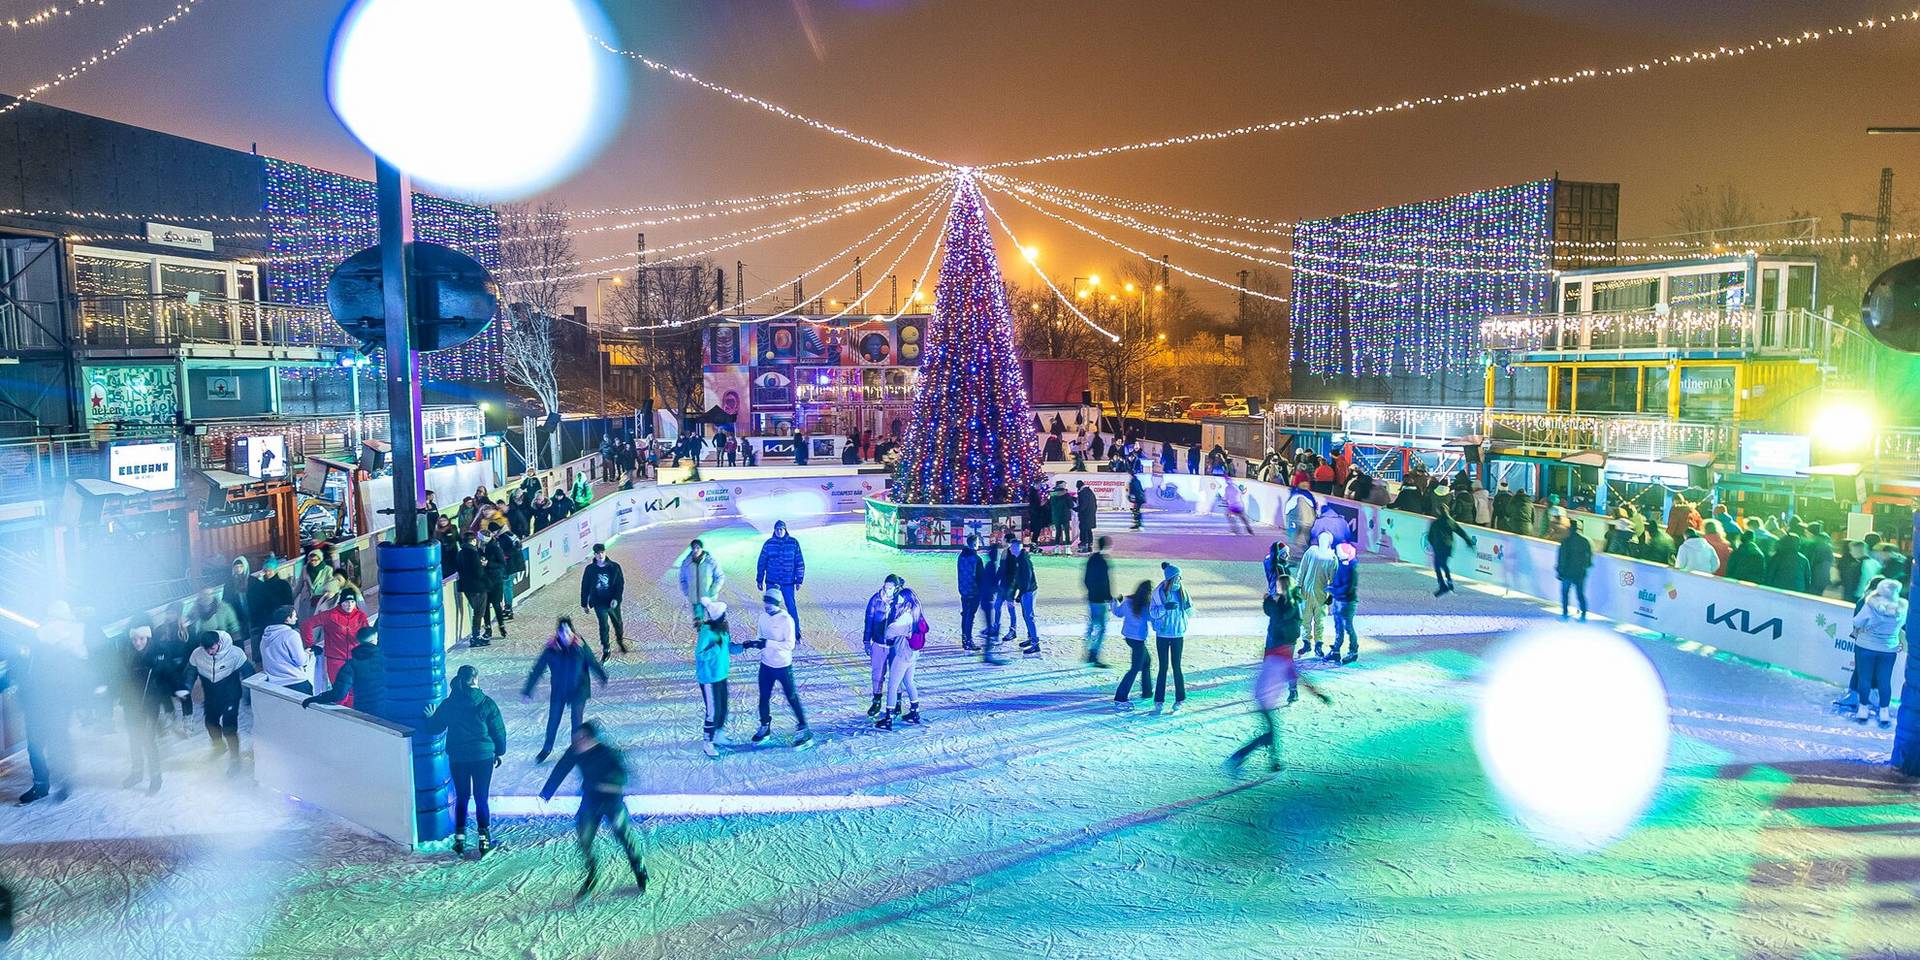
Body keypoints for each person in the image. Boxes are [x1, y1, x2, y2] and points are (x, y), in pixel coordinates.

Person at [1226, 578, 1331, 775]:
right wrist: (1320, 696)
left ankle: (1270, 762)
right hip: (1265, 698)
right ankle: (1241, 756)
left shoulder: (1275, 653)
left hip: (1264, 696)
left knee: (1271, 733)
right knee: (1270, 734)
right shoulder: (1283, 658)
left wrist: (1268, 602)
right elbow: (1303, 680)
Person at [539, 720, 649, 900]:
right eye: (576, 739)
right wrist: (547, 791)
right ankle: (592, 871)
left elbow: (623, 776)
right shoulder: (575, 750)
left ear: (591, 739)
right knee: (584, 837)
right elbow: (562, 767)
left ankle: (639, 868)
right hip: (590, 800)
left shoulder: (608, 753)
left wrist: (608, 785)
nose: (577, 743)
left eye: (581, 739)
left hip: (612, 802)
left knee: (624, 836)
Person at [422, 664, 507, 855]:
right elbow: (498, 732)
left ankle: (459, 840)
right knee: (481, 798)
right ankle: (484, 841)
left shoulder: (449, 704)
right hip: (482, 757)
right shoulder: (486, 703)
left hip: (458, 758)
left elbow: (434, 728)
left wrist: (430, 717)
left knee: (462, 797)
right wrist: (499, 752)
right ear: (475, 679)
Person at [522, 618, 607, 764]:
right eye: (562, 632)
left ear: (572, 632)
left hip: (579, 690)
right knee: (553, 720)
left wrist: (601, 675)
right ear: (558, 633)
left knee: (576, 723)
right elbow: (537, 669)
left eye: (568, 632)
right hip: (559, 690)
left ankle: (576, 750)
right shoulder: (551, 649)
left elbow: (592, 661)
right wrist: (528, 690)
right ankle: (547, 748)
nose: (565, 635)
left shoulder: (580, 646)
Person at [740, 590, 811, 747]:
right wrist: (754, 643)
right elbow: (761, 637)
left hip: (782, 666)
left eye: (770, 602)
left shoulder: (786, 620)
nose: (767, 605)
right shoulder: (763, 617)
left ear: (777, 603)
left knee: (791, 697)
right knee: (763, 697)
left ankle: (804, 728)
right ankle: (765, 726)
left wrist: (768, 643)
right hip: (766, 665)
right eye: (765, 601)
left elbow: (790, 645)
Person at [118, 622, 181, 793]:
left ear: (148, 638)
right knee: (134, 739)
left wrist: (178, 688)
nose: (137, 643)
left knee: (147, 739)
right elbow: (120, 677)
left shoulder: (158, 653)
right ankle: (137, 772)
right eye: (134, 639)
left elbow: (170, 673)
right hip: (131, 704)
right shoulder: (127, 654)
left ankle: (156, 777)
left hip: (149, 704)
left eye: (141, 639)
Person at [190, 630, 252, 772]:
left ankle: (235, 758)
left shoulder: (235, 653)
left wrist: (251, 693)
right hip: (211, 696)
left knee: (229, 728)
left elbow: (248, 672)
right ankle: (219, 747)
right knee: (210, 723)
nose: (209, 652)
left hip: (231, 695)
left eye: (212, 648)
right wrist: (185, 687)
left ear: (219, 643)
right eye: (206, 649)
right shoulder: (197, 654)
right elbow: (190, 672)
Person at [1850, 578, 1905, 729]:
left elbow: (1857, 622)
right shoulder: (1903, 606)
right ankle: (1884, 712)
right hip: (1888, 648)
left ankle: (1863, 710)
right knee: (1884, 680)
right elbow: (1903, 624)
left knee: (1865, 678)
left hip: (1866, 646)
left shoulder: (1870, 603)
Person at [876, 580, 926, 731]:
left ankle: (889, 718)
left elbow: (890, 630)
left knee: (893, 685)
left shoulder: (906, 617)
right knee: (909, 681)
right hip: (913, 654)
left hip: (903, 654)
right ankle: (914, 712)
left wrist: (888, 631)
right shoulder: (917, 612)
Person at [302, 626, 385, 718]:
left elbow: (339, 693)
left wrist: (316, 699)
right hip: (388, 709)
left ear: (358, 641)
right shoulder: (388, 661)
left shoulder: (351, 665)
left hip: (364, 711)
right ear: (376, 639)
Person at [306, 589, 369, 698]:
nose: (349, 605)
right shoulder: (330, 615)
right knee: (340, 694)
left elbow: (367, 635)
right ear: (341, 602)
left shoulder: (361, 616)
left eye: (352, 602)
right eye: (346, 602)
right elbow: (307, 625)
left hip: (355, 661)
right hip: (336, 661)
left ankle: (352, 715)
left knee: (356, 693)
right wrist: (310, 644)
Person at [1150, 564, 1192, 712]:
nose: (1179, 580)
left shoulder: (1183, 592)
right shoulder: (1158, 593)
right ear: (1170, 578)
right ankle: (1159, 700)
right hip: (1162, 634)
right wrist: (1164, 608)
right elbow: (1153, 613)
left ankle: (1180, 699)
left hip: (1178, 634)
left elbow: (1190, 612)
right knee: (1163, 667)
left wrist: (1188, 608)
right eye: (1177, 577)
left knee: (1177, 666)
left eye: (1180, 577)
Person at [755, 520, 807, 641]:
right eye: (777, 529)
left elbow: (799, 562)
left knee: (791, 607)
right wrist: (759, 579)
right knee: (770, 608)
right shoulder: (768, 544)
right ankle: (770, 632)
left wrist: (799, 580)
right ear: (774, 530)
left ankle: (795, 633)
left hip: (788, 582)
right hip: (772, 582)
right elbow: (761, 562)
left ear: (785, 530)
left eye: (781, 529)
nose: (779, 531)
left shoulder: (793, 543)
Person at [862, 575, 904, 717]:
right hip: (879, 643)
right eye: (886, 587)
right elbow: (868, 620)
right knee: (877, 674)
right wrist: (867, 641)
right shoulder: (876, 599)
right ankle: (876, 701)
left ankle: (897, 701)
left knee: (896, 674)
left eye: (890, 588)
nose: (887, 590)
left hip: (895, 646)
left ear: (897, 588)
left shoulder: (901, 602)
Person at [1110, 581, 1155, 708]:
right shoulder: (1146, 605)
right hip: (1138, 641)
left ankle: (1147, 692)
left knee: (1146, 662)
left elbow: (1118, 613)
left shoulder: (1129, 601)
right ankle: (1120, 696)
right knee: (1135, 668)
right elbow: (1153, 620)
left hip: (1129, 638)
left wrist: (1115, 601)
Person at [579, 544, 628, 661]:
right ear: (594, 554)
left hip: (612, 602)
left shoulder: (614, 567)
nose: (600, 555)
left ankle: (620, 640)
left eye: (602, 552)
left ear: (605, 553)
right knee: (603, 626)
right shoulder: (590, 569)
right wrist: (584, 603)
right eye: (597, 553)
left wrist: (616, 598)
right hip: (598, 602)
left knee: (617, 623)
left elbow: (620, 585)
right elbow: (584, 586)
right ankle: (606, 648)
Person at [1296, 532, 1337, 658]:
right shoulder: (1311, 551)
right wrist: (1298, 586)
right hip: (1306, 592)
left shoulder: (1332, 558)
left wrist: (1331, 594)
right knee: (1305, 619)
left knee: (1320, 621)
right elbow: (1302, 569)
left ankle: (1318, 644)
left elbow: (1333, 578)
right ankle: (1306, 642)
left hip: (1321, 594)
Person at [455, 532, 498, 647]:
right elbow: (478, 572)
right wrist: (483, 566)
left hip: (466, 587)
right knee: (479, 612)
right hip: (477, 587)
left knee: (477, 612)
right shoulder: (473, 554)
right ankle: (475, 637)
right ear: (473, 540)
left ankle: (476, 636)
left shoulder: (460, 553)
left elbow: (459, 569)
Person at [258, 605, 312, 694]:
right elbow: (300, 661)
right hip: (294, 681)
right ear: (287, 619)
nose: (297, 618)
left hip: (274, 684)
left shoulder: (265, 635)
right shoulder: (291, 634)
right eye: (294, 616)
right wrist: (306, 654)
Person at [1001, 535, 1040, 656]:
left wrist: (1021, 594)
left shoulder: (1023, 561)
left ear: (1016, 548)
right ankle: (1031, 638)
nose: (1010, 550)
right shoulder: (1019, 559)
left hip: (1028, 591)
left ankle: (1035, 643)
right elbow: (1019, 579)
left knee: (1029, 616)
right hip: (1026, 591)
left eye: (1012, 548)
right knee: (1026, 615)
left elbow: (1027, 580)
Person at [1426, 510, 1476, 596]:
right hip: (1448, 547)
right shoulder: (1450, 521)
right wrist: (1469, 541)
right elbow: (1461, 532)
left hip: (1439, 547)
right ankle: (1449, 583)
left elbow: (1430, 536)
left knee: (1438, 566)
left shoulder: (1436, 523)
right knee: (1443, 564)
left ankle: (1443, 585)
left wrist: (1434, 545)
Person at [1325, 543, 1360, 664]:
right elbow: (1337, 580)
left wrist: (1333, 590)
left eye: (1339, 553)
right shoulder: (1341, 564)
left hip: (1347, 603)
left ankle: (1353, 651)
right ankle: (1336, 651)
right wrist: (1331, 591)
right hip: (1338, 600)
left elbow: (1349, 587)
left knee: (1348, 627)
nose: (1337, 555)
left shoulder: (1353, 567)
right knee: (1338, 626)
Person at [1083, 535, 1112, 668]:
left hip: (1092, 597)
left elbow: (1086, 580)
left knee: (1093, 625)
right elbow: (1105, 582)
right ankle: (1093, 654)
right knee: (1101, 627)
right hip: (1100, 600)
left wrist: (1091, 591)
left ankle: (1089, 650)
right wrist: (1108, 597)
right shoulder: (1103, 561)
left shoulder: (1092, 559)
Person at [976, 543, 1008, 665]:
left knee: (991, 627)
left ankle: (988, 652)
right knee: (990, 627)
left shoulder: (990, 565)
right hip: (986, 600)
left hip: (986, 599)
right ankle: (987, 654)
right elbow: (992, 584)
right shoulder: (990, 566)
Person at [678, 538, 726, 620]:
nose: (695, 550)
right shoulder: (686, 563)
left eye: (698, 548)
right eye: (693, 548)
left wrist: (712, 591)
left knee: (713, 623)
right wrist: (687, 592)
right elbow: (682, 579)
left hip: (709, 600)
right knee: (699, 624)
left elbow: (720, 576)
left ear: (702, 548)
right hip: (695, 600)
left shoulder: (710, 562)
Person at [1556, 520, 1593, 621]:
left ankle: (1565, 613)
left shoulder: (1565, 541)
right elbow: (1589, 556)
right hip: (1580, 573)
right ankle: (1583, 614)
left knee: (1565, 594)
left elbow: (1562, 558)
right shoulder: (1585, 541)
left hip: (1567, 573)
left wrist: (1560, 571)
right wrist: (1586, 566)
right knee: (1580, 594)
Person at [957, 534, 983, 652]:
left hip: (963, 590)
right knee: (969, 615)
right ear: (975, 544)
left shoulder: (961, 556)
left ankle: (965, 638)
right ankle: (968, 641)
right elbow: (980, 578)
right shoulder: (977, 559)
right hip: (974, 591)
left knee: (965, 614)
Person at [1839, 540, 1879, 604]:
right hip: (1871, 597)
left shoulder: (1857, 565)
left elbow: (1851, 584)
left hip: (1857, 597)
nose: (1850, 552)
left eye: (1851, 550)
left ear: (1857, 551)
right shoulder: (1876, 564)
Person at [1802, 522, 1835, 596]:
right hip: (1822, 579)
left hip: (1813, 579)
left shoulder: (1811, 546)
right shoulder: (1826, 545)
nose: (1805, 534)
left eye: (1806, 532)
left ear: (1811, 533)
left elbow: (1809, 563)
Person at [1075, 480, 1099, 551]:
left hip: (1085, 515)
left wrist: (1075, 509)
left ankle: (1084, 543)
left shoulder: (1083, 493)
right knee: (1088, 529)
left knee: (1083, 529)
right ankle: (1090, 543)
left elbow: (1082, 506)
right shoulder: (1089, 491)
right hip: (1090, 514)